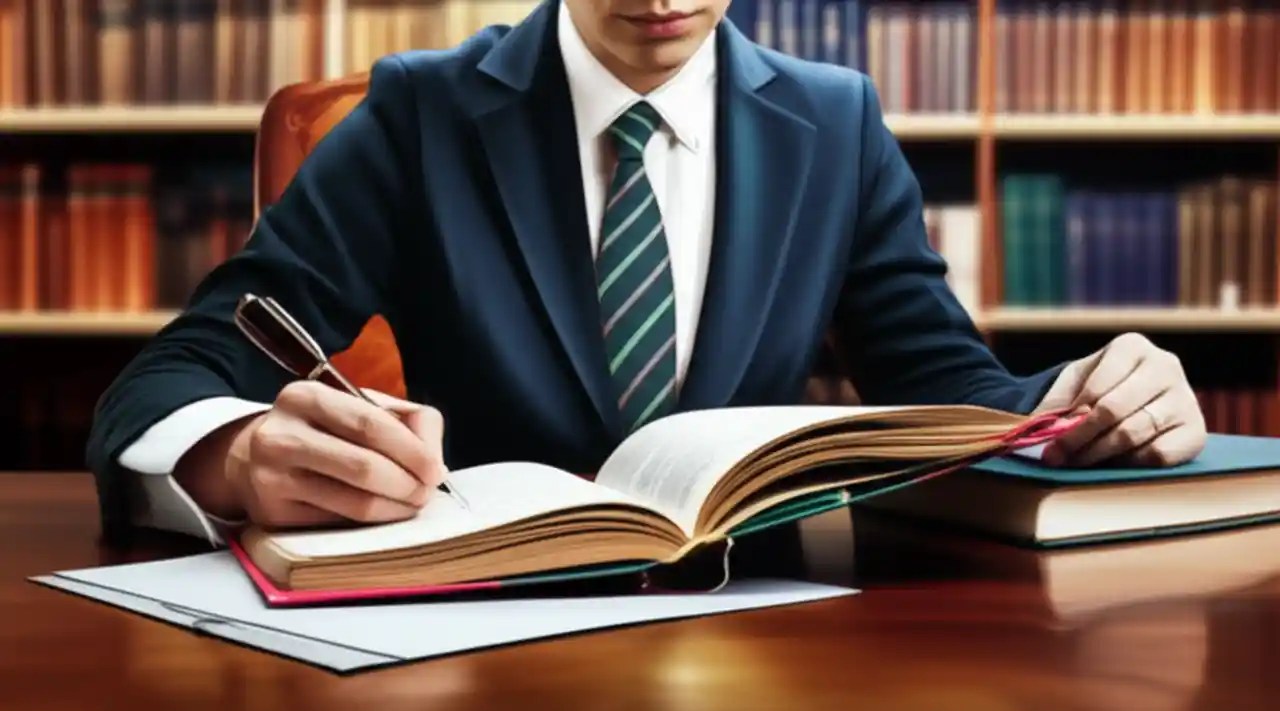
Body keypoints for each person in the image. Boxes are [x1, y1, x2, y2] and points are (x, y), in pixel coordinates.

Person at [86, 0, 1206, 546]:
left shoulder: (835, 123)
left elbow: (944, 386)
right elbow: (170, 379)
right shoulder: (418, 112)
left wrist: (1089, 402)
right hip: (479, 635)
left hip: (769, 636)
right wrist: (233, 456)